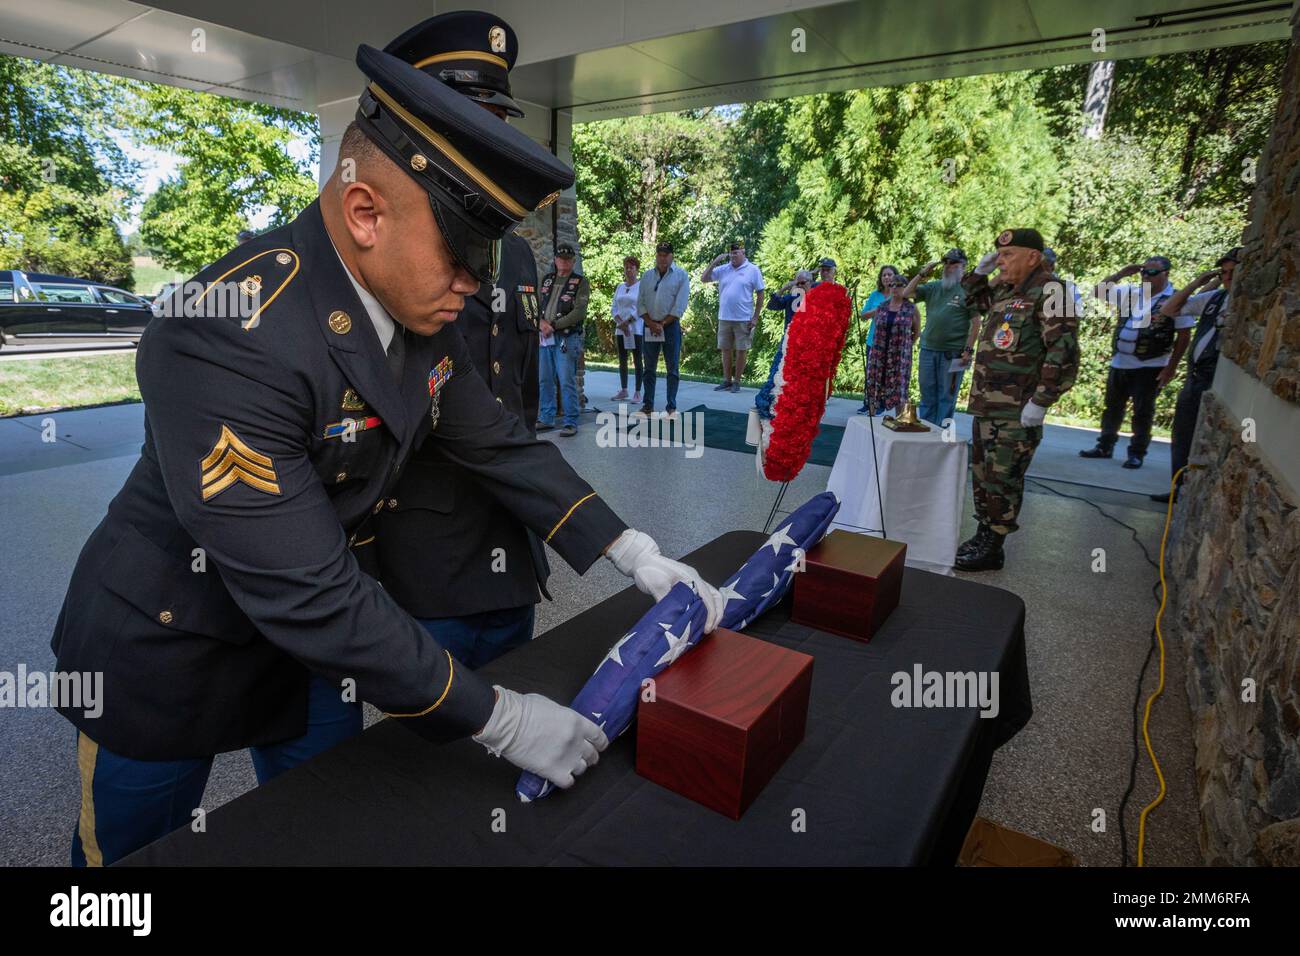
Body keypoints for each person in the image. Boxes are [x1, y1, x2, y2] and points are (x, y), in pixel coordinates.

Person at [50, 15, 723, 867]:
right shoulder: (225, 328)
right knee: (128, 870)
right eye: (461, 249)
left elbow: (498, 444)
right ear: (365, 211)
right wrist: (501, 719)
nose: (477, 283)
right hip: (171, 643)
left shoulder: (421, 311)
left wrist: (635, 551)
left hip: (314, 652)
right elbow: (308, 587)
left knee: (333, 824)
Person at [374, 11, 548, 670]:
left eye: (499, 124)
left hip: (511, 542)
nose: (492, 139)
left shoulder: (520, 259)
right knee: (431, 758)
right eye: (474, 122)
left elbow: (520, 396)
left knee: (509, 740)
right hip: (429, 555)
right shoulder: (391, 254)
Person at [956, 228, 1079, 572]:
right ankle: (984, 532)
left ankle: (994, 545)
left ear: (1033, 257)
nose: (1001, 261)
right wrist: (979, 274)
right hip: (988, 403)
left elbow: (1063, 351)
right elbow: (971, 303)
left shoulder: (1052, 291)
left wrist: (1041, 401)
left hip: (1017, 407)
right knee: (984, 473)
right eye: (998, 255)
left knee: (1004, 476)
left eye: (1008, 255)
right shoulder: (1006, 289)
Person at [1079, 255, 1191, 469]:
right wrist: (1121, 274)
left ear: (1166, 274)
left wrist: (1171, 367)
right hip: (1120, 361)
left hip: (1151, 364)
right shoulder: (1131, 292)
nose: (1146, 276)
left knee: (1143, 411)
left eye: (1152, 273)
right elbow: (1098, 292)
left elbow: (1184, 336)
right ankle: (1104, 446)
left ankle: (1136, 453)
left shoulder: (1175, 299)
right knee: (1112, 407)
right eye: (1144, 272)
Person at [1150, 247, 1239, 503]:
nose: (1227, 277)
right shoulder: (1215, 298)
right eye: (1223, 272)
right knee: (1182, 435)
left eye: (1233, 272)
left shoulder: (1242, 302)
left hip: (1216, 378)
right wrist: (1198, 283)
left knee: (1206, 440)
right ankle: (1178, 487)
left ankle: (1193, 491)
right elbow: (1169, 309)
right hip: (1195, 375)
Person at [904, 248, 981, 426]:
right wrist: (922, 274)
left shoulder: (969, 291)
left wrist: (968, 351)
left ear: (963, 266)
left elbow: (976, 323)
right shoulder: (934, 286)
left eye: (953, 263)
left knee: (947, 397)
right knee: (927, 394)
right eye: (946, 262)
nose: (948, 266)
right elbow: (906, 294)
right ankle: (926, 433)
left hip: (953, 353)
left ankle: (942, 436)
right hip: (928, 350)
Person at [536, 243, 589, 437]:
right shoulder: (547, 280)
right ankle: (546, 417)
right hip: (544, 337)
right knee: (545, 379)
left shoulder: (580, 282)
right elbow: (536, 304)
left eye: (568, 259)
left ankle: (570, 422)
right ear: (555, 260)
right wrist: (541, 323)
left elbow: (579, 312)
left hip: (566, 338)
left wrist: (553, 325)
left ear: (573, 261)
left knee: (566, 381)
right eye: (561, 258)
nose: (564, 261)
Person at [702, 240, 765, 392]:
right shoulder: (724, 269)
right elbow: (704, 279)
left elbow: (761, 293)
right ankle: (727, 380)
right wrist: (715, 262)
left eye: (736, 253)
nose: (733, 256)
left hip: (744, 318)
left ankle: (737, 382)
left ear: (743, 253)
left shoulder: (753, 270)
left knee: (741, 350)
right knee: (725, 349)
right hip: (724, 317)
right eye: (731, 253)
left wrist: (755, 317)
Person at [637, 240, 690, 419]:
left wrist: (662, 324)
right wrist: (651, 323)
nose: (662, 258)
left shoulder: (681, 275)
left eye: (666, 254)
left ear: (672, 256)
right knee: (648, 368)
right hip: (649, 325)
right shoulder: (646, 276)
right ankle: (648, 406)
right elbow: (640, 303)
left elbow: (680, 305)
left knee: (672, 368)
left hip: (670, 327)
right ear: (656, 255)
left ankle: (671, 408)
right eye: (660, 254)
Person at [862, 272, 919, 416]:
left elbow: (916, 332)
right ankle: (871, 417)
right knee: (875, 385)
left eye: (899, 285)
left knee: (899, 389)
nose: (894, 288)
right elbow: (874, 323)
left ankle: (900, 419)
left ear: (906, 287)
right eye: (892, 284)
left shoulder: (911, 308)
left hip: (899, 356)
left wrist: (906, 347)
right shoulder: (882, 306)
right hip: (879, 354)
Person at [856, 264, 900, 414]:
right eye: (884, 275)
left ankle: (881, 404)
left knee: (885, 374)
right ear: (880, 279)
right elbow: (862, 315)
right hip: (873, 341)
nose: (887, 277)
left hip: (890, 342)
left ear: (895, 277)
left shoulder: (900, 296)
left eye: (889, 275)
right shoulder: (875, 295)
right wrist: (879, 309)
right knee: (870, 374)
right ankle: (868, 403)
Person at [611, 255, 643, 402]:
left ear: (636, 269)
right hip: (620, 328)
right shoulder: (620, 287)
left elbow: (642, 307)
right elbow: (614, 307)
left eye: (631, 267)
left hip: (635, 328)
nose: (628, 270)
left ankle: (637, 392)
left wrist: (628, 322)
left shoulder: (641, 286)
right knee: (622, 359)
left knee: (637, 359)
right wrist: (621, 323)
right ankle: (624, 390)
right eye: (626, 267)